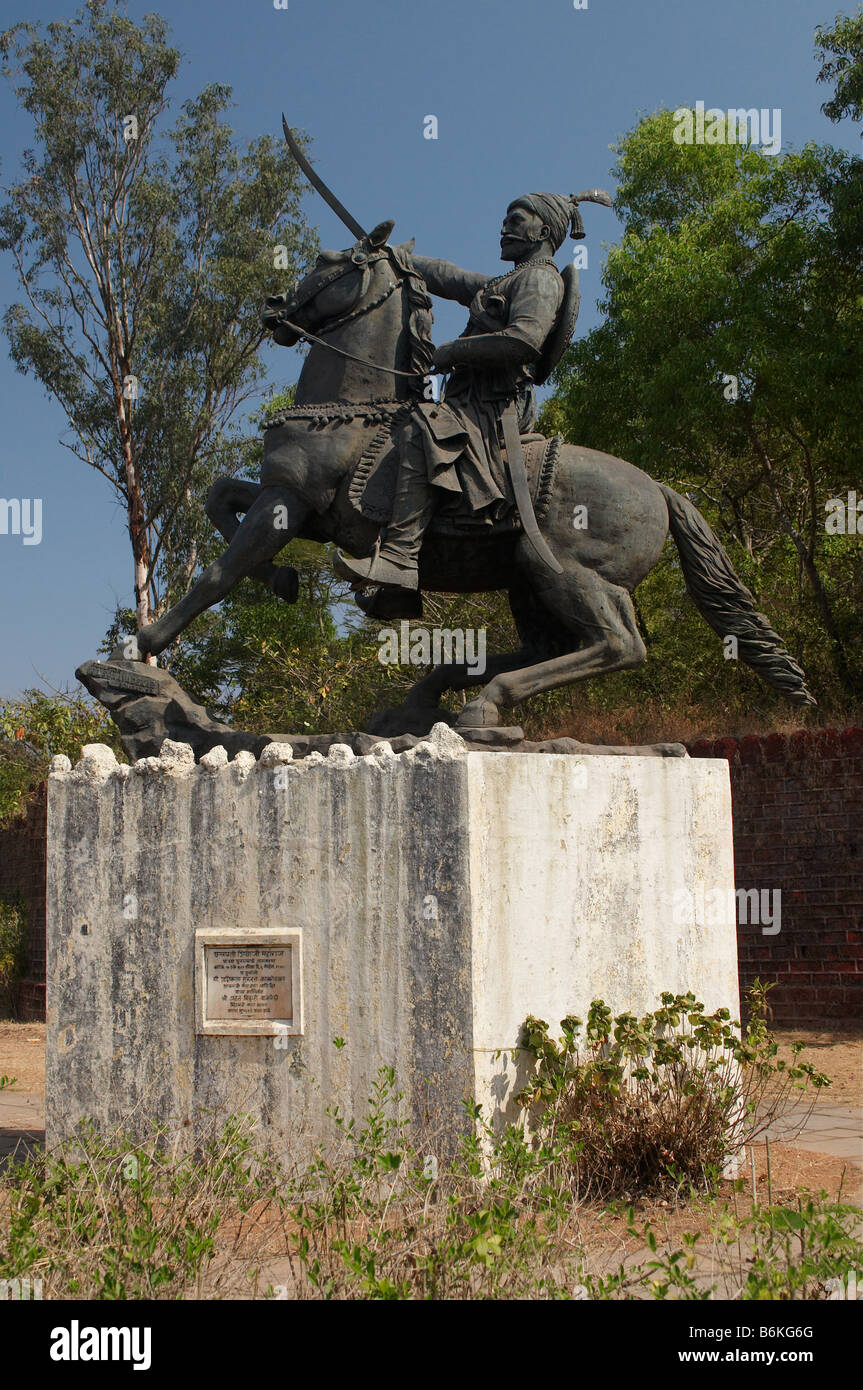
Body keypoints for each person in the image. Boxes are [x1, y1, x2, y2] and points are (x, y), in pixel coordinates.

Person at [334, 192, 586, 594]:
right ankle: (396, 590)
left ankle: (399, 558)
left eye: (517, 220)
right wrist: (393, 259)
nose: (505, 227)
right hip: (472, 399)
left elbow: (525, 340)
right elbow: (447, 276)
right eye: (505, 219)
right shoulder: (502, 281)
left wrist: (452, 351)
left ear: (544, 230)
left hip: (496, 403)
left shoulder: (540, 279)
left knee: (424, 428)